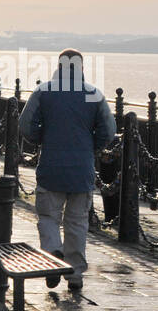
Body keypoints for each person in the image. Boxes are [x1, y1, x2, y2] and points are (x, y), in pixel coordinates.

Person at [18, 49, 116, 291]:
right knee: (77, 222)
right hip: (82, 169)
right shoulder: (94, 94)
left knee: (49, 217)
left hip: (51, 167)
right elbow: (108, 131)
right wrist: (91, 145)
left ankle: (52, 255)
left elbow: (25, 125)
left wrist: (41, 138)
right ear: (81, 68)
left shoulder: (43, 92)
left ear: (59, 66)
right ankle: (74, 275)